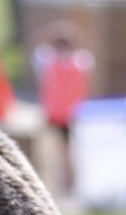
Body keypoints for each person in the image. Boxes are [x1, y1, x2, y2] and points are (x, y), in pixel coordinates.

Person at [33, 22, 93, 195]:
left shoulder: (48, 60)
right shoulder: (81, 62)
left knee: (56, 153)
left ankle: (60, 186)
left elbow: (37, 47)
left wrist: (50, 35)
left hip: (58, 113)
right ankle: (67, 185)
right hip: (69, 114)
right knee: (64, 153)